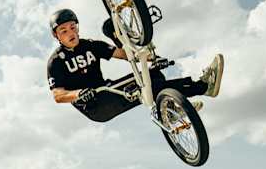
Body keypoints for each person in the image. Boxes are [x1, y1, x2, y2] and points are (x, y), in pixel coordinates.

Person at [45, 9, 223, 123]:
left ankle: (168, 110)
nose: (71, 33)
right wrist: (79, 94)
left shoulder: (90, 45)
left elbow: (124, 55)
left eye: (72, 27)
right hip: (95, 105)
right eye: (64, 31)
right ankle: (203, 86)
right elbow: (58, 95)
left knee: (153, 76)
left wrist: (152, 60)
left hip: (108, 90)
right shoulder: (56, 61)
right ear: (56, 36)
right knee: (146, 84)